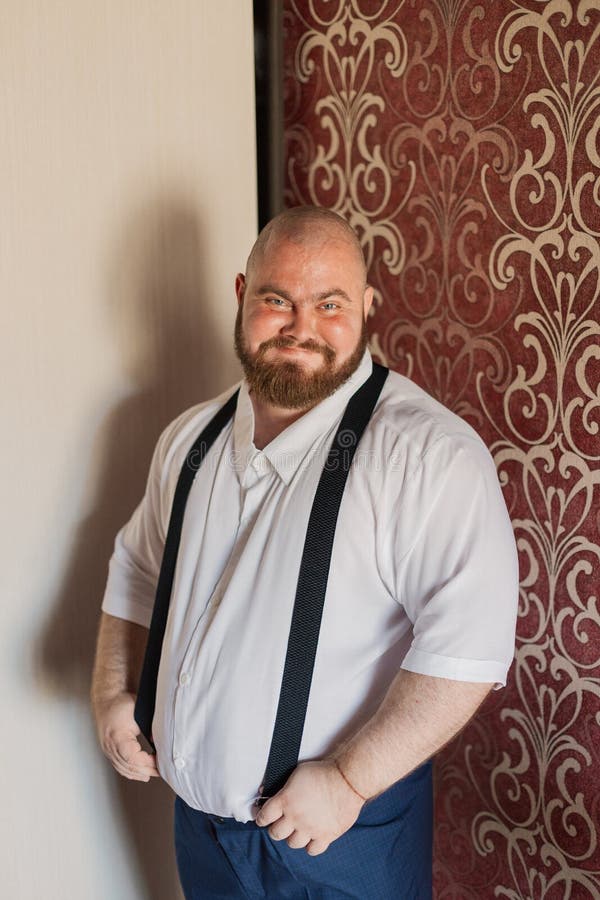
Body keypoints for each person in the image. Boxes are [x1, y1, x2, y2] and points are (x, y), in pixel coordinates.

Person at [91, 206, 519, 899]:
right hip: (201, 836)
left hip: (341, 846)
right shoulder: (188, 440)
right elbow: (136, 569)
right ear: (240, 296)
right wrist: (113, 692)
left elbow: (468, 652)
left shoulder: (425, 454)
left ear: (367, 308)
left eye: (330, 304)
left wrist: (351, 780)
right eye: (276, 300)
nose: (301, 328)